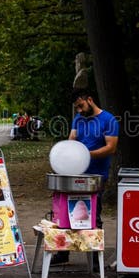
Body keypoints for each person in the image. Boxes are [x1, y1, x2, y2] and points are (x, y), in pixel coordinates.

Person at [51, 88, 119, 266]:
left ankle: (95, 256)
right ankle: (63, 252)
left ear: (90, 100)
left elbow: (111, 147)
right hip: (75, 173)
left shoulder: (108, 120)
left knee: (93, 214)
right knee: (67, 212)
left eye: (81, 106)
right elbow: (72, 139)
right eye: (77, 108)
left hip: (97, 175)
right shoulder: (78, 119)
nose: (79, 110)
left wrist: (85, 155)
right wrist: (66, 154)